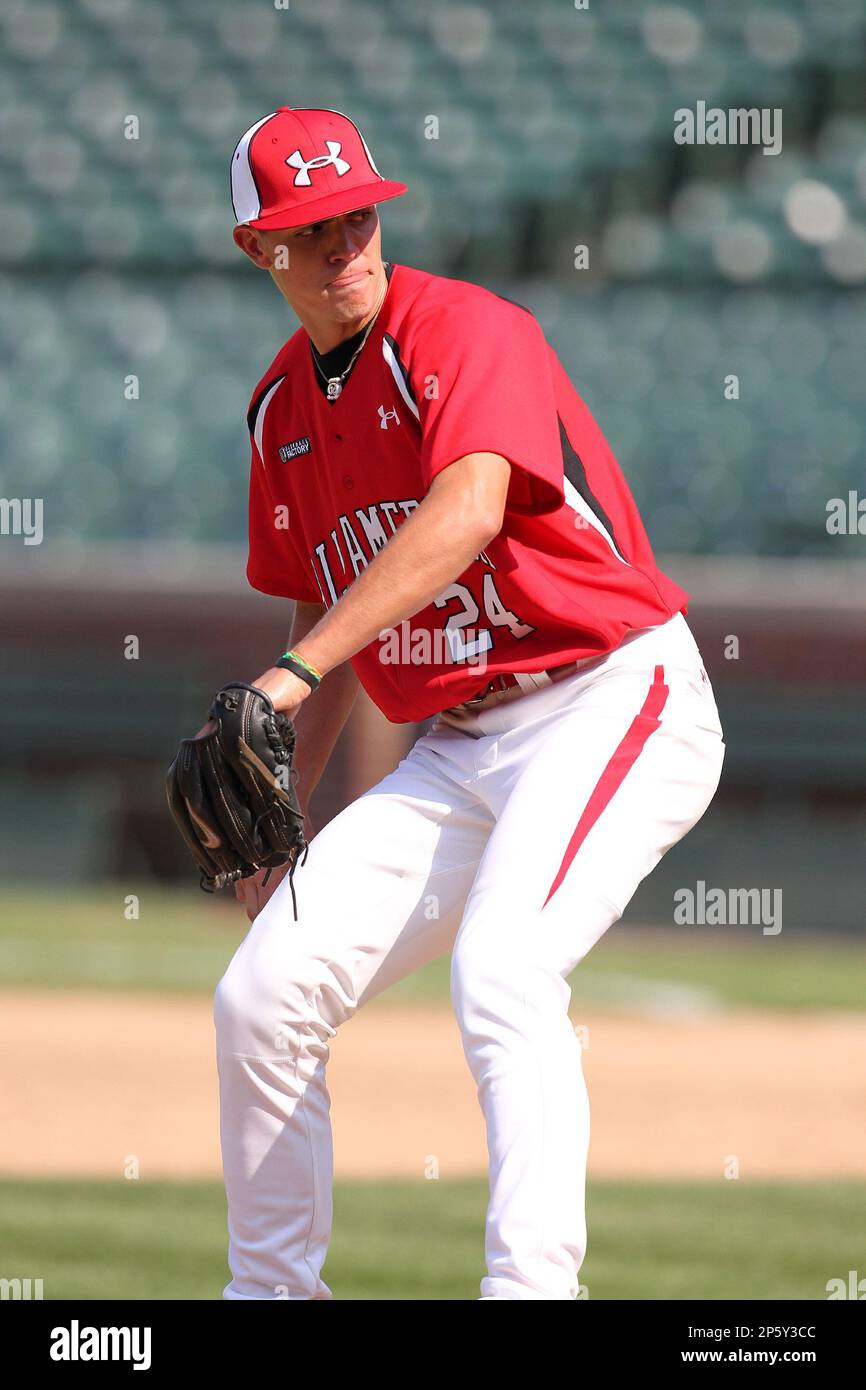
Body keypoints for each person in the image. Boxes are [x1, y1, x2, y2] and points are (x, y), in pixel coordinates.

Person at [214, 105, 725, 1300]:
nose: (344, 241)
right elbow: (324, 620)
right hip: (460, 743)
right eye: (309, 227)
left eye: (357, 214)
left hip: (611, 691)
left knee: (501, 969)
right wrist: (280, 789)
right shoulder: (278, 413)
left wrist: (284, 680)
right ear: (258, 250)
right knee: (262, 994)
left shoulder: (462, 326)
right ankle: (271, 1293)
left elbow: (465, 514)